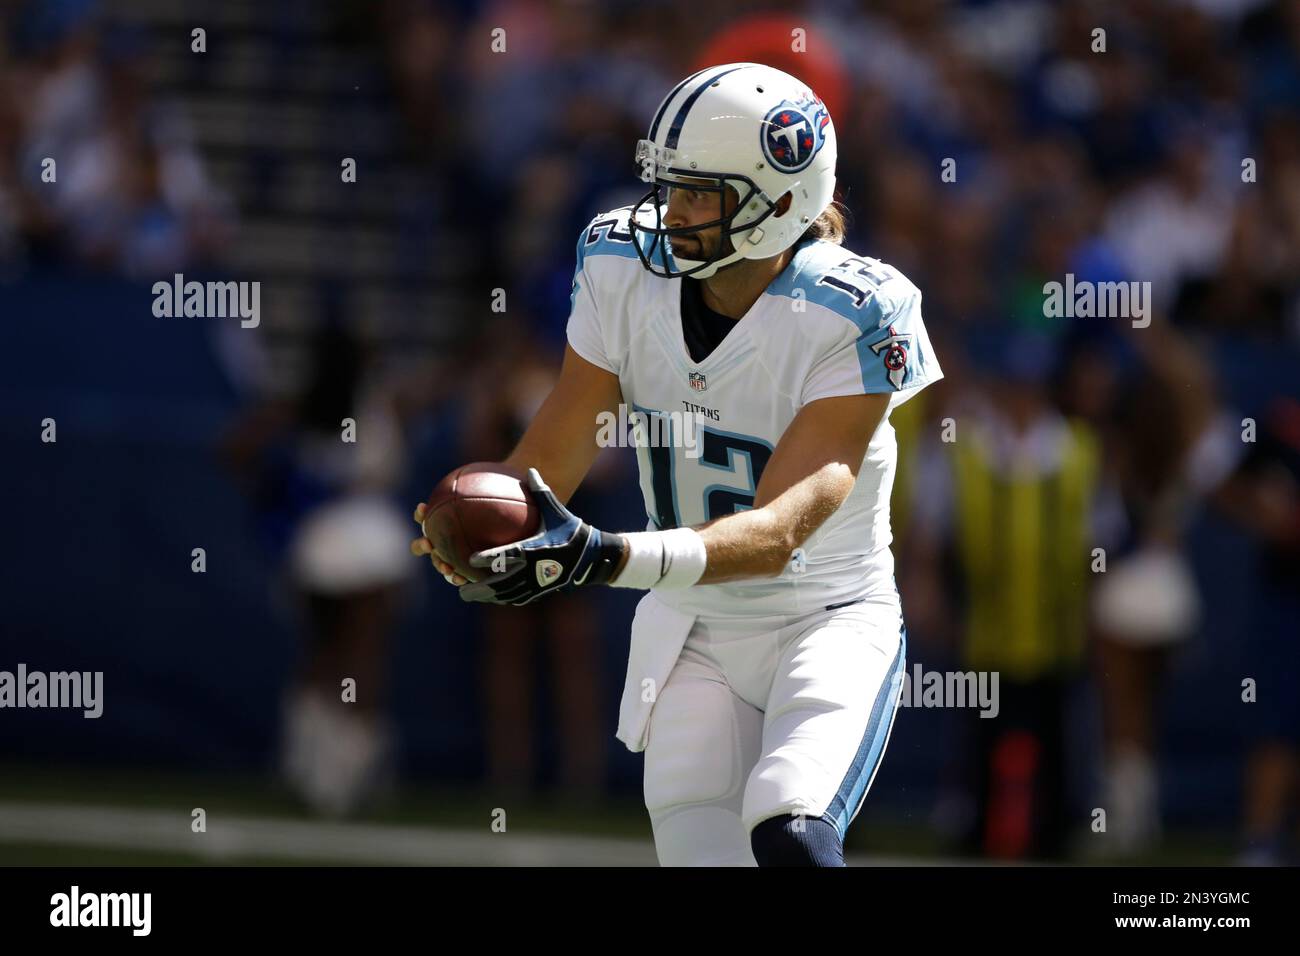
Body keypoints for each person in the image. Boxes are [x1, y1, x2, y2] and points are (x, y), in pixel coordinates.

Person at [412, 63, 942, 866]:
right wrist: (491, 520)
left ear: (777, 202)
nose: (673, 213)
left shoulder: (856, 311)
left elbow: (774, 535)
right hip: (694, 631)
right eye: (671, 188)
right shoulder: (622, 262)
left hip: (826, 619)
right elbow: (558, 444)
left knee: (792, 833)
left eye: (701, 194)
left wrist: (601, 556)